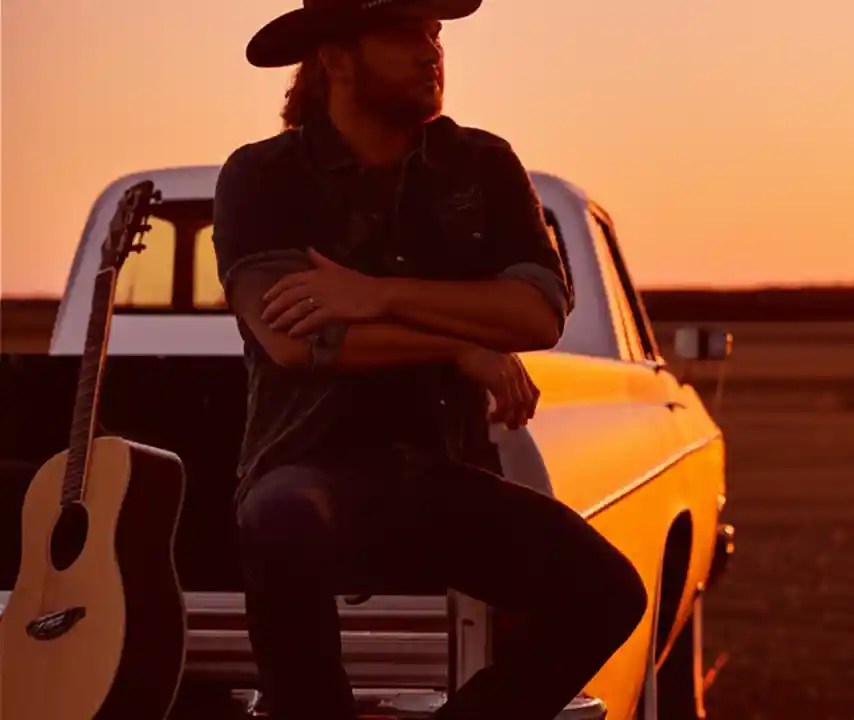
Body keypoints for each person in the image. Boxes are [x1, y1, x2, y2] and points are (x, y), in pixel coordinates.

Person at [211, 1, 648, 718]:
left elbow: (538, 314)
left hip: (443, 471)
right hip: (311, 468)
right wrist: (460, 344)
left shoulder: (481, 164)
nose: (431, 51)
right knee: (277, 511)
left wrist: (374, 295)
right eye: (404, 35)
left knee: (608, 595)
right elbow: (296, 341)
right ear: (336, 59)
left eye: (434, 34)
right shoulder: (263, 176)